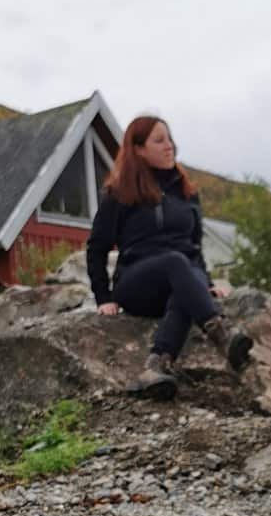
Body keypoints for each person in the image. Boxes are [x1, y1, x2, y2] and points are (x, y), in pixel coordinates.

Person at [86, 116, 252, 399]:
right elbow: (97, 247)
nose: (169, 146)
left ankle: (156, 366)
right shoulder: (119, 193)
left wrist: (205, 284)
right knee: (175, 262)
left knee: (184, 286)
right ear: (138, 149)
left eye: (170, 139)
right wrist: (103, 297)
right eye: (159, 140)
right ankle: (220, 331)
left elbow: (195, 246)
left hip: (182, 275)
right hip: (139, 281)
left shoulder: (187, 193)